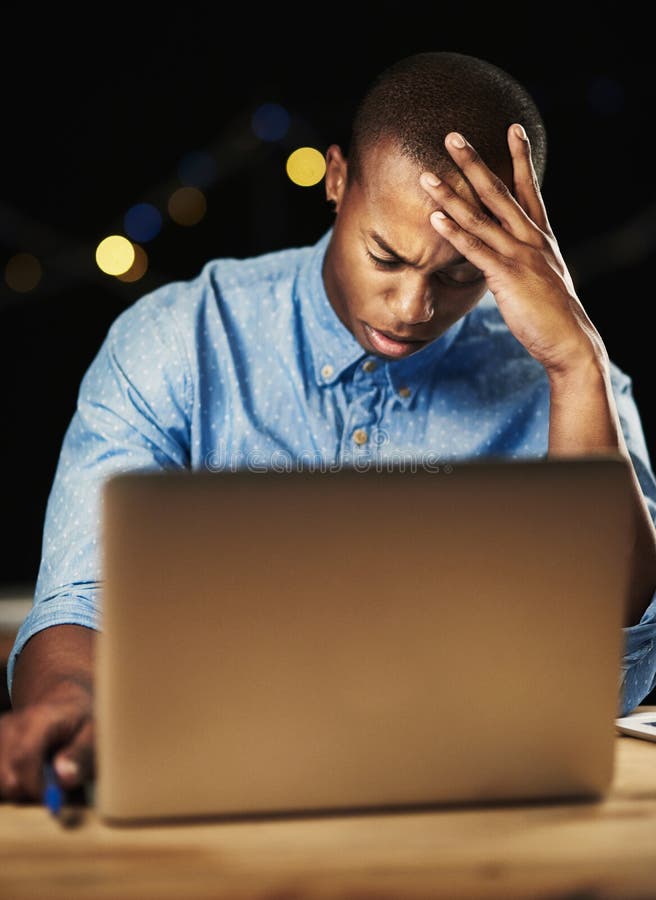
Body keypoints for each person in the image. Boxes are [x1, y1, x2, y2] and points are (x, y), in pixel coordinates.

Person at [1, 50, 655, 803]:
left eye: (460, 275)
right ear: (337, 180)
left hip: (479, 807)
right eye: (386, 256)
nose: (413, 308)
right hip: (208, 798)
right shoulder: (178, 341)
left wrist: (576, 364)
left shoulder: (572, 382)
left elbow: (615, 652)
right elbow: (82, 599)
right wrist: (72, 702)